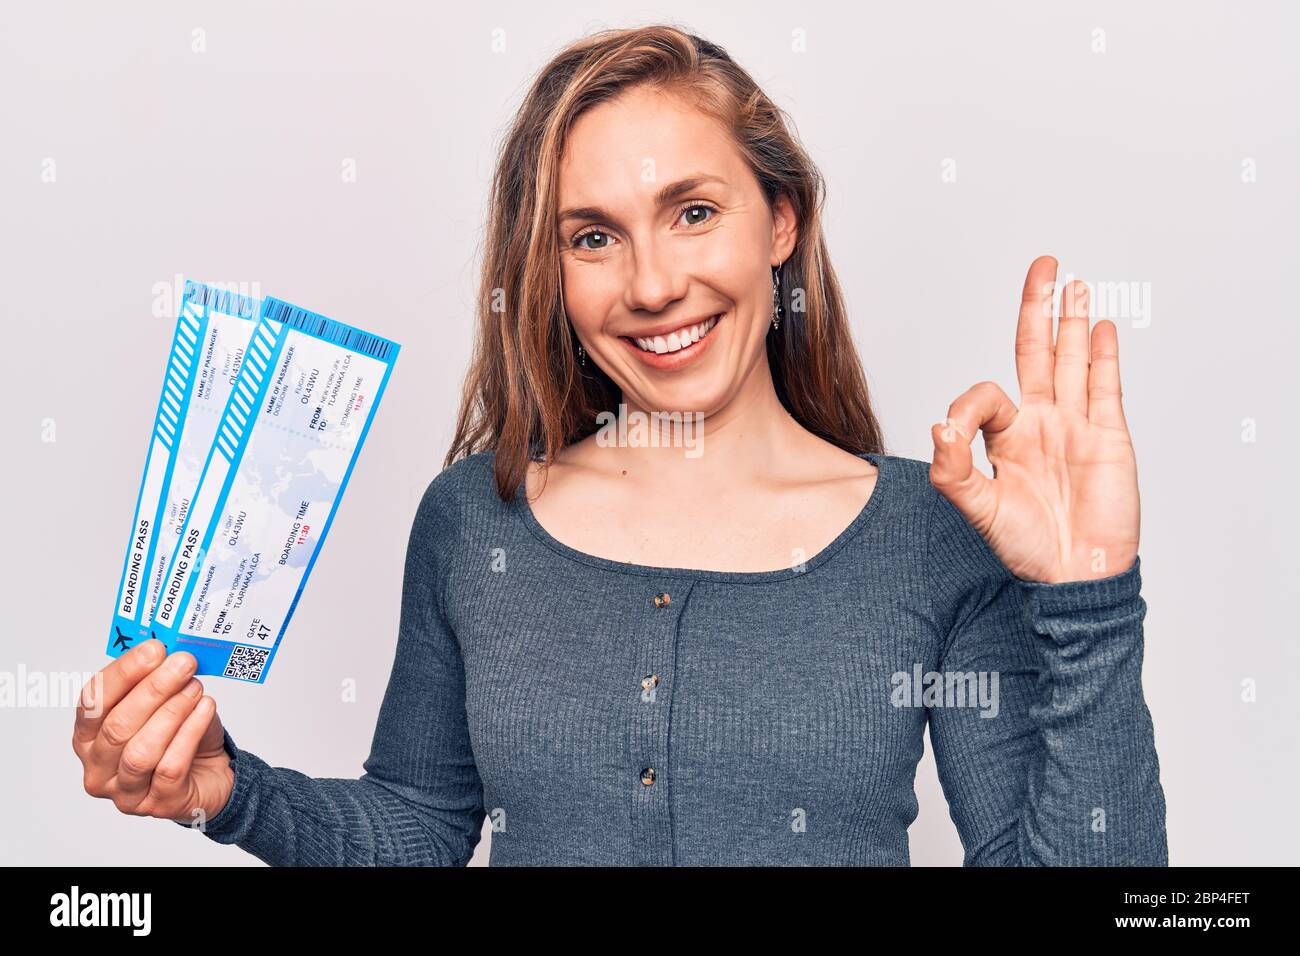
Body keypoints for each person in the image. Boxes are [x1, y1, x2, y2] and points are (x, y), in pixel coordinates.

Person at [74, 24, 1167, 866]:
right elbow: (420, 822)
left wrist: (1088, 597)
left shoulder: (930, 530)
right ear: (548, 270)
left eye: (693, 211)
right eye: (593, 236)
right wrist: (227, 790)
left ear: (779, 220)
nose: (650, 284)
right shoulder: (473, 519)